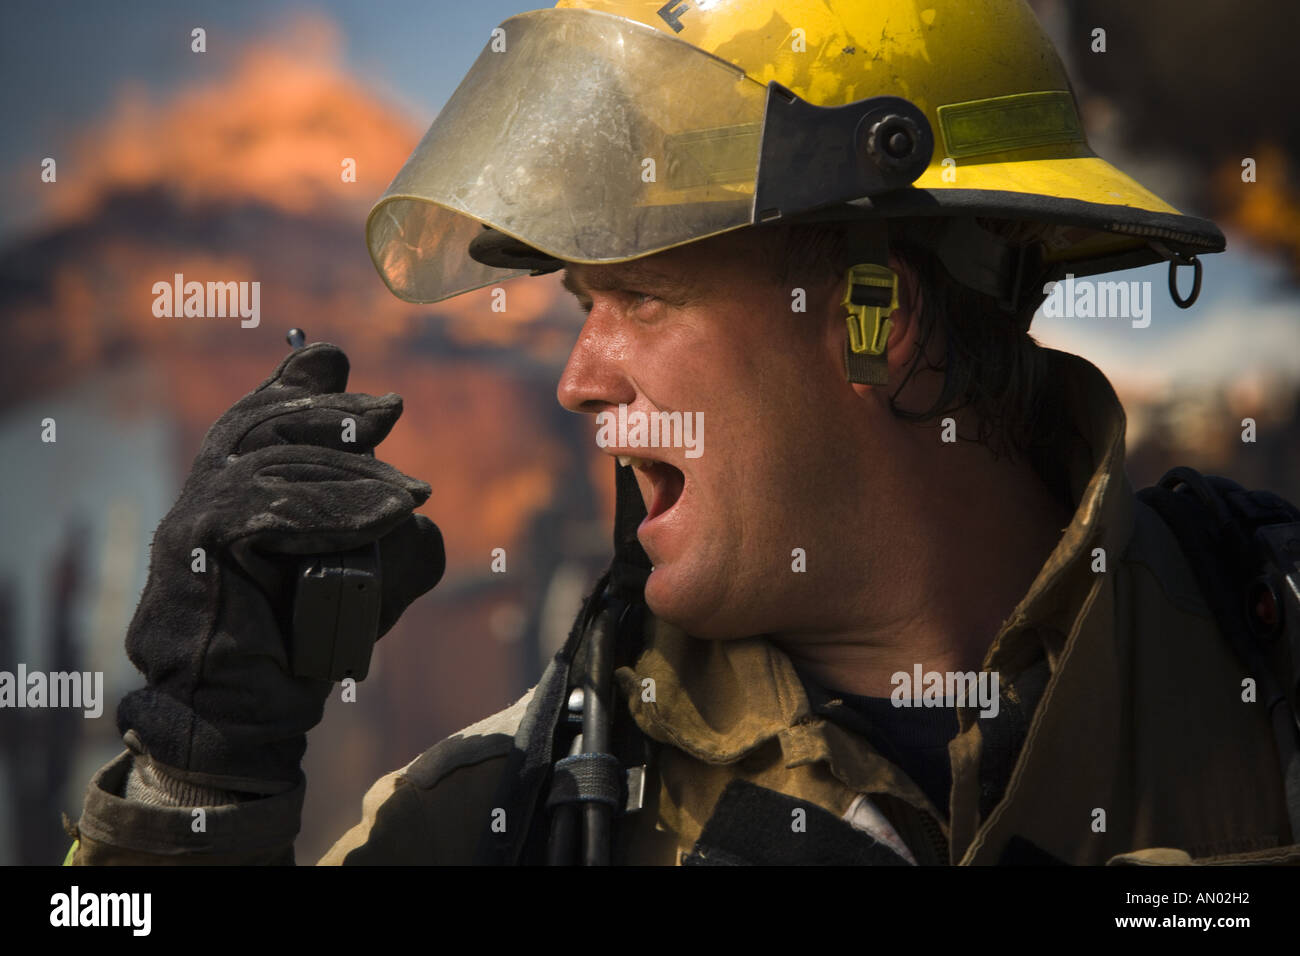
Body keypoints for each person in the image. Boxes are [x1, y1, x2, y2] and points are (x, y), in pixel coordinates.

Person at [68, 0, 1299, 865]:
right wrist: (196, 787)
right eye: (580, 305)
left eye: (639, 298)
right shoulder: (513, 809)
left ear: (878, 320)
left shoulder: (1268, 671)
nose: (578, 379)